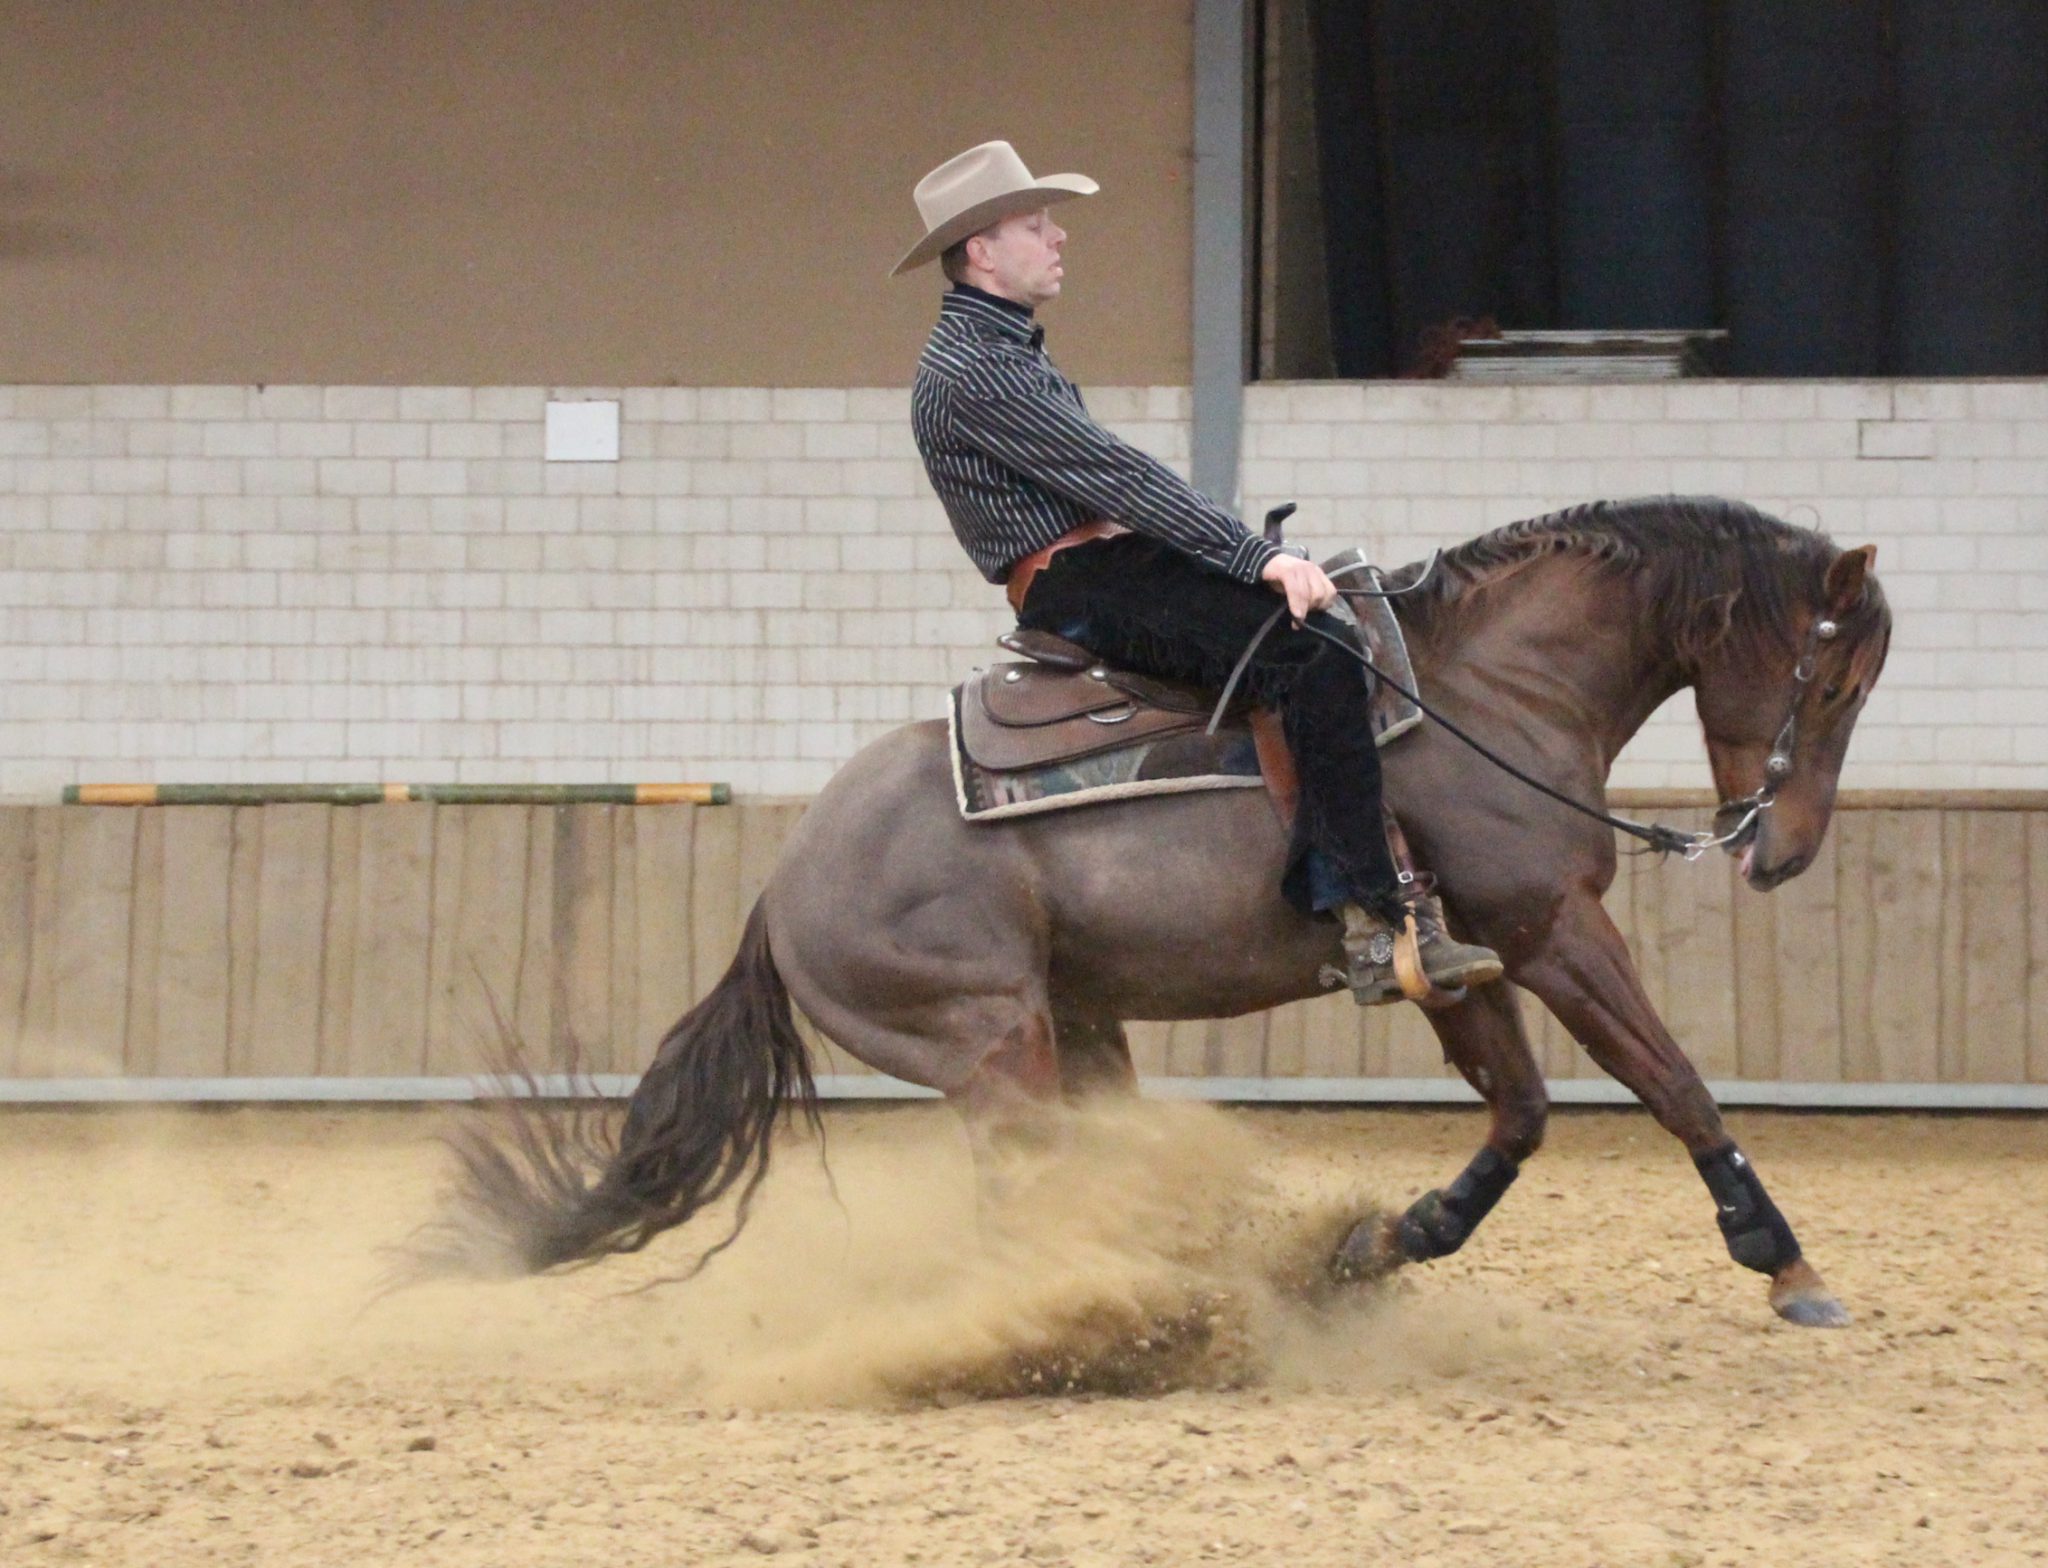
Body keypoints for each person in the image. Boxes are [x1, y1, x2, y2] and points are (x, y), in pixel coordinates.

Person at [892, 140, 1500, 1003]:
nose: (1059, 238)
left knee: (1318, 629)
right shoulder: (977, 371)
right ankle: (1369, 915)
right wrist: (1261, 557)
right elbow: (1119, 477)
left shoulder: (1004, 351)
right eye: (1036, 224)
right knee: (1316, 651)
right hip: (1082, 584)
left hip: (1103, 564)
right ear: (982, 253)